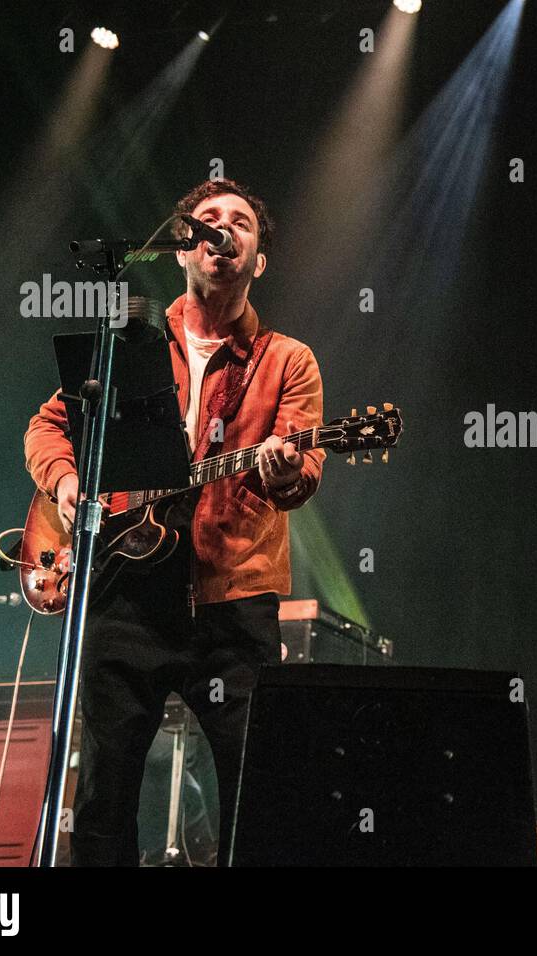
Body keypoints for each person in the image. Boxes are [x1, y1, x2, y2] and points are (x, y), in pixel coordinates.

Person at [24, 178, 325, 865]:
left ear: (258, 258)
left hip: (233, 602)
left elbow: (301, 476)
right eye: (207, 221)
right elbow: (48, 428)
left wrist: (283, 470)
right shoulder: (131, 342)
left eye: (240, 223)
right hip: (124, 596)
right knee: (103, 798)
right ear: (184, 249)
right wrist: (68, 483)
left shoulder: (288, 360)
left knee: (254, 794)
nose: (223, 230)